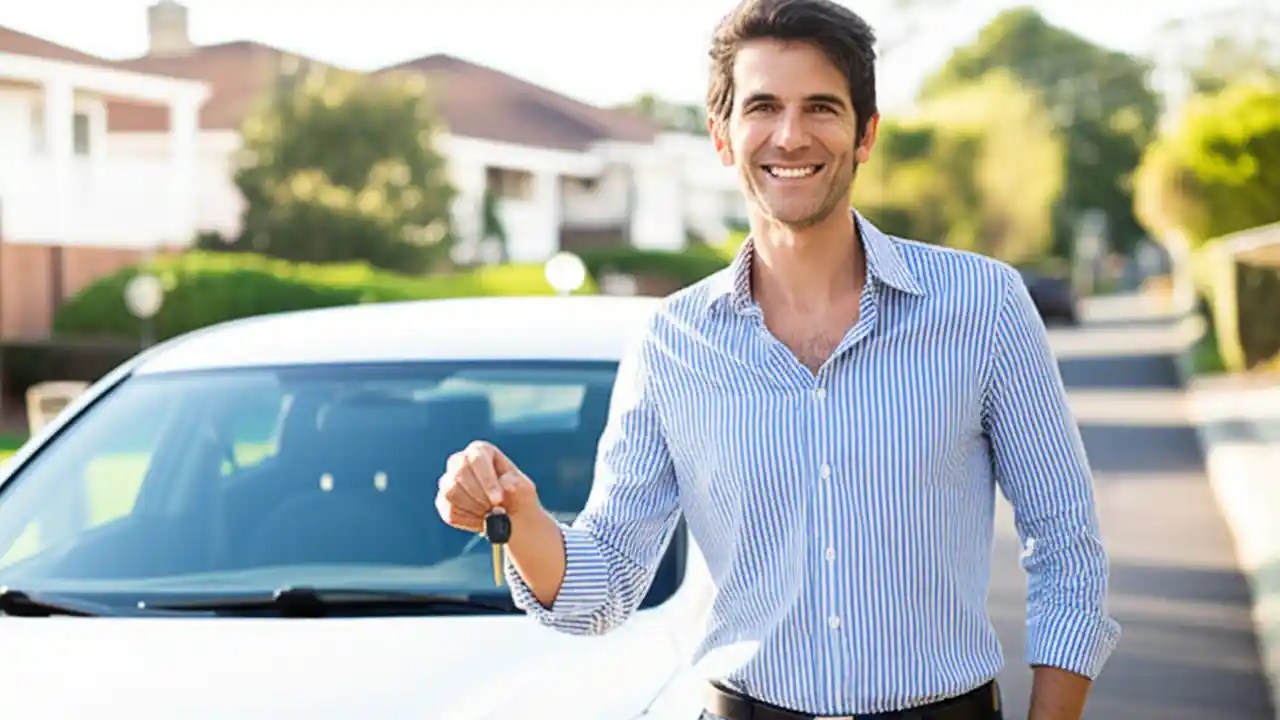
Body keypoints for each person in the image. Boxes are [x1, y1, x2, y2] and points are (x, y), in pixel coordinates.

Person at [434, 0, 1121, 717]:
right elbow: (602, 590)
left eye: (821, 107)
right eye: (762, 106)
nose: (791, 136)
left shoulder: (983, 306)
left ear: (865, 134)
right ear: (722, 137)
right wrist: (519, 515)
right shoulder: (670, 343)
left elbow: (1067, 546)